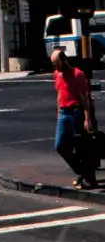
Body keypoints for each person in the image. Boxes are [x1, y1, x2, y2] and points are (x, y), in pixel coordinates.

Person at [52, 48, 95, 188]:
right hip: (63, 113)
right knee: (60, 145)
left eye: (57, 63)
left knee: (80, 145)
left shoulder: (78, 75)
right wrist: (59, 112)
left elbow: (85, 98)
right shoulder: (57, 75)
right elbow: (59, 94)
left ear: (64, 60)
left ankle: (88, 177)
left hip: (76, 112)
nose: (56, 68)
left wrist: (87, 119)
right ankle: (81, 171)